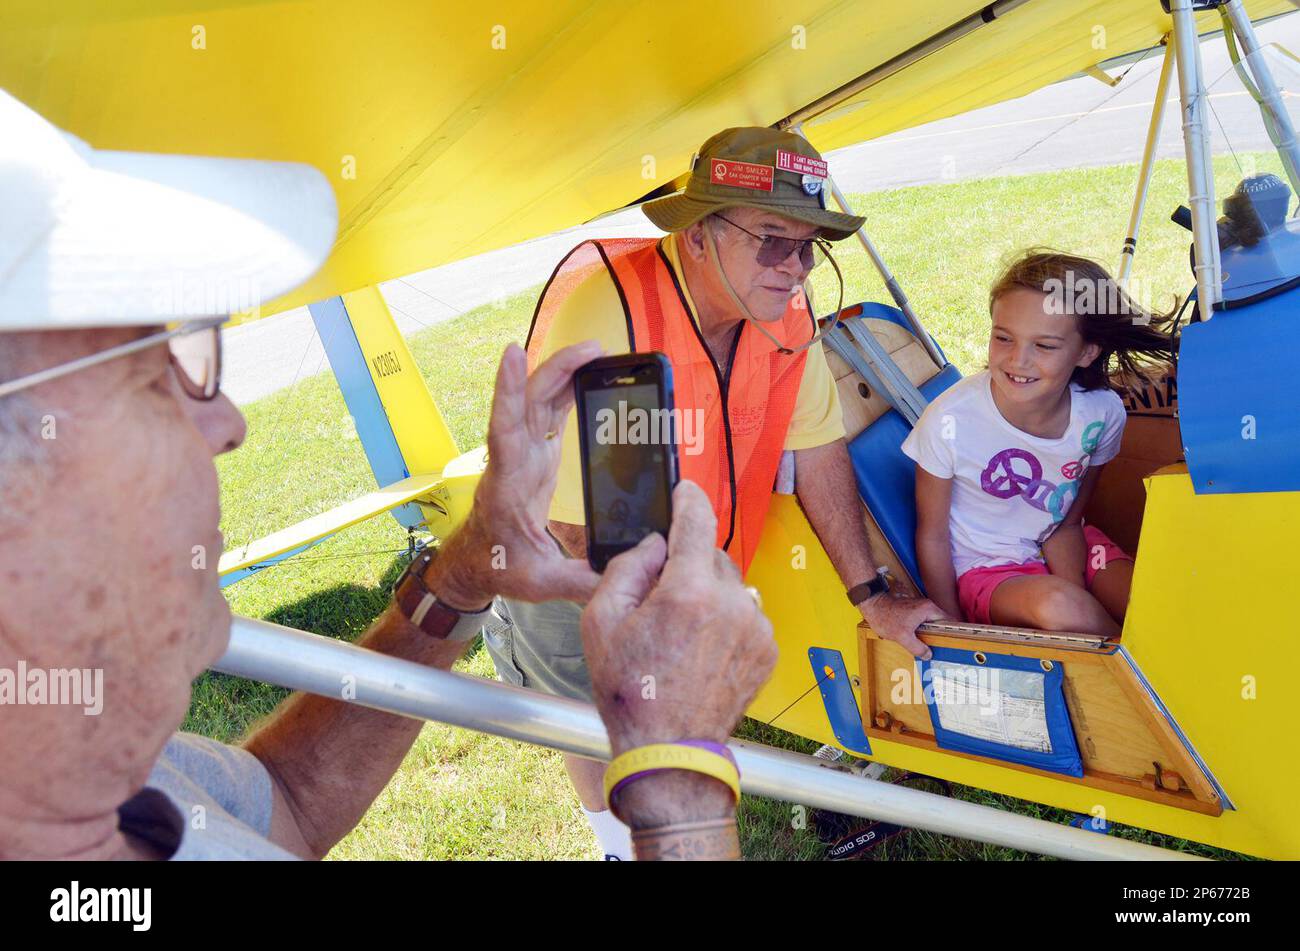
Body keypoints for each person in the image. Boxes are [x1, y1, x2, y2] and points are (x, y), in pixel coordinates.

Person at [0, 88, 775, 861]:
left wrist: (464, 573)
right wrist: (679, 796)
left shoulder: (94, 773)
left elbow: (289, 805)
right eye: (149, 372)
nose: (226, 423)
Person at [486, 126, 945, 859]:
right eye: (771, 239)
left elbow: (818, 444)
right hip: (567, 576)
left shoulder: (782, 311)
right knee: (610, 739)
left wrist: (870, 594)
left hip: (672, 567)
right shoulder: (618, 322)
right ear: (699, 233)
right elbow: (581, 538)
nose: (793, 268)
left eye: (807, 247)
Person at [905, 250, 1177, 637]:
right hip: (988, 571)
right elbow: (931, 535)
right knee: (1060, 607)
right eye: (1003, 338)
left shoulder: (1102, 414)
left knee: (1155, 608)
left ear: (1086, 352)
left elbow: (1067, 524)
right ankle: (1150, 685)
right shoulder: (949, 421)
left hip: (1070, 547)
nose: (1019, 360)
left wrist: (1079, 592)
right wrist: (955, 630)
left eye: (1045, 346)